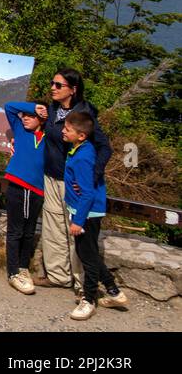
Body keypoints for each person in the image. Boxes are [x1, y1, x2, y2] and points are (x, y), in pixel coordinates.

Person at [32, 69, 112, 295]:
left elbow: (105, 148)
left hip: (72, 182)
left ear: (73, 90)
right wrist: (34, 110)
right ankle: (58, 276)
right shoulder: (52, 109)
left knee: (74, 231)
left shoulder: (83, 115)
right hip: (51, 176)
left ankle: (83, 284)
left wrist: (93, 177)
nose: (52, 88)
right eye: (52, 83)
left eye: (58, 85)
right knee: (53, 228)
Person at [62, 111, 129, 320]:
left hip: (87, 214)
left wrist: (78, 221)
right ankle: (113, 291)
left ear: (81, 135)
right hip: (84, 211)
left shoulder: (83, 156)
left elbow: (88, 192)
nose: (63, 131)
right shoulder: (81, 149)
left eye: (67, 129)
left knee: (87, 257)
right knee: (88, 254)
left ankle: (88, 300)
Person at [2, 101, 46, 294]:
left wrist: (46, 112)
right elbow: (9, 106)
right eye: (25, 114)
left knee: (29, 232)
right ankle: (13, 273)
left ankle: (23, 267)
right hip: (17, 187)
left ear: (43, 119)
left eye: (31, 116)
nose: (26, 118)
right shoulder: (20, 130)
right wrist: (33, 107)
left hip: (37, 190)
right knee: (15, 231)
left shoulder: (50, 137)